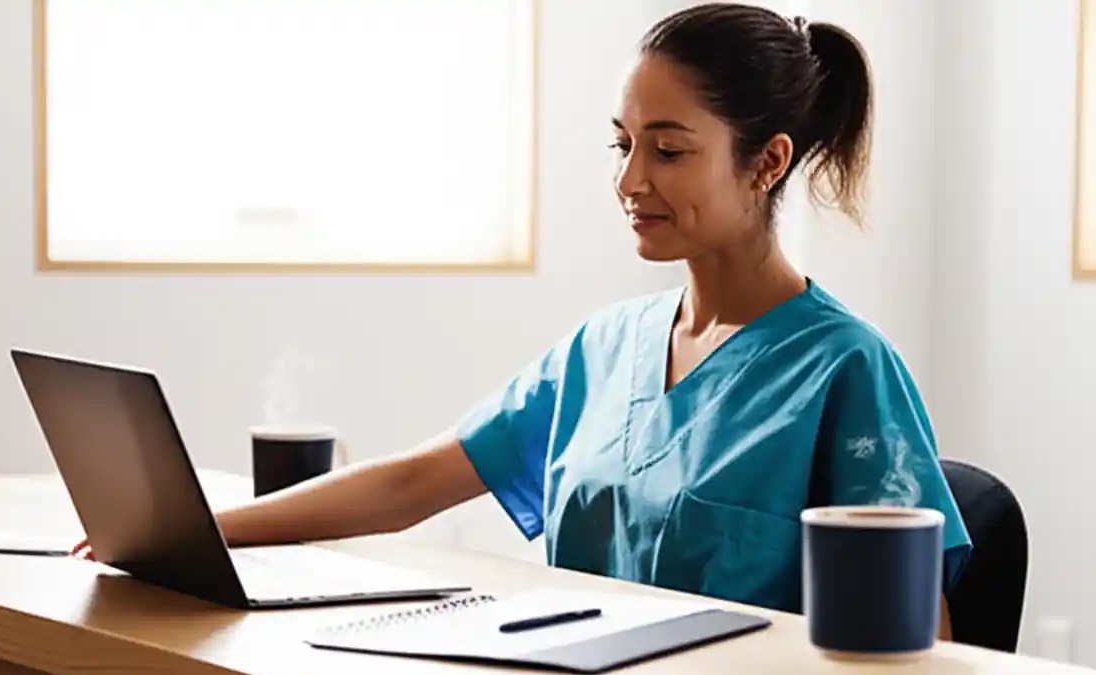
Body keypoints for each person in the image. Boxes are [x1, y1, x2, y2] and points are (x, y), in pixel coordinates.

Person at [76, 3, 971, 639]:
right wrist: (200, 529)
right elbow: (415, 484)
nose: (629, 182)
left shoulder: (843, 369)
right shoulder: (605, 349)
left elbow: (912, 642)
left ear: (766, 161)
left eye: (669, 149)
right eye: (622, 145)